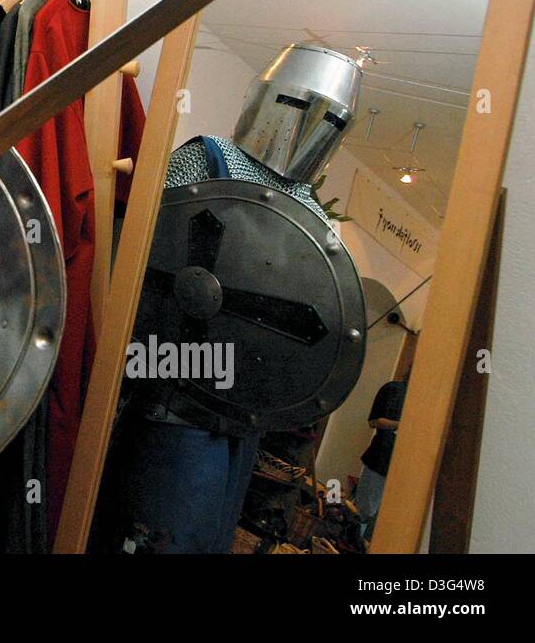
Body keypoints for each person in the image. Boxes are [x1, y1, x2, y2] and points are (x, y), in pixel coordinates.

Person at [100, 44, 363, 553]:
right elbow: (142, 260)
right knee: (156, 537)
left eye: (333, 121)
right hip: (171, 399)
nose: (313, 126)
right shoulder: (206, 160)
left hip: (243, 415)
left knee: (207, 540)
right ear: (272, 98)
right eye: (301, 107)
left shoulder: (310, 215)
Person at [355, 377, 409, 539]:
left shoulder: (429, 400)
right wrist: (404, 424)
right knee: (364, 510)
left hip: (405, 465)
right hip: (381, 458)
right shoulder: (394, 389)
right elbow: (374, 421)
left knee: (388, 517)